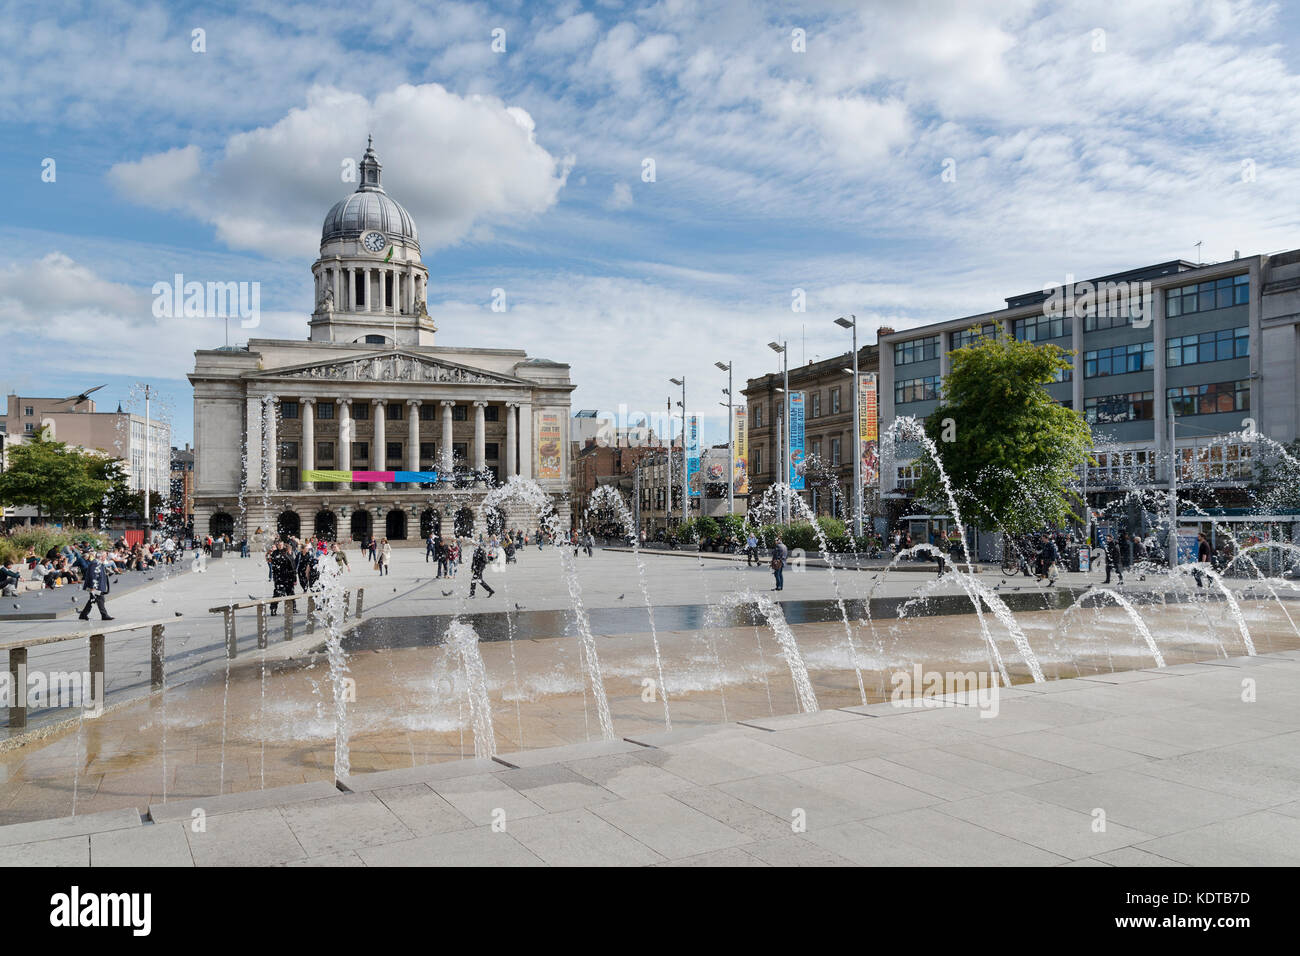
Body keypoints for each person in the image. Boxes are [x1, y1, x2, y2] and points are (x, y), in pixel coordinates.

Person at [77, 552, 114, 622]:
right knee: (100, 599)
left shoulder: (98, 563)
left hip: (96, 585)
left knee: (92, 600)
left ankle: (83, 615)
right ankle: (104, 615)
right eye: (104, 556)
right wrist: (93, 587)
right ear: (100, 556)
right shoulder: (95, 563)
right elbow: (93, 575)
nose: (105, 558)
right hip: (95, 586)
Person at [269, 543, 296, 614]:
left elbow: (292, 567)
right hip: (280, 577)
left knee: (290, 592)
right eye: (279, 545)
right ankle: (273, 609)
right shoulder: (275, 554)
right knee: (277, 593)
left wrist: (294, 578)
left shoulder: (286, 553)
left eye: (281, 545)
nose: (280, 546)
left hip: (288, 577)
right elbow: (274, 566)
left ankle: (293, 608)